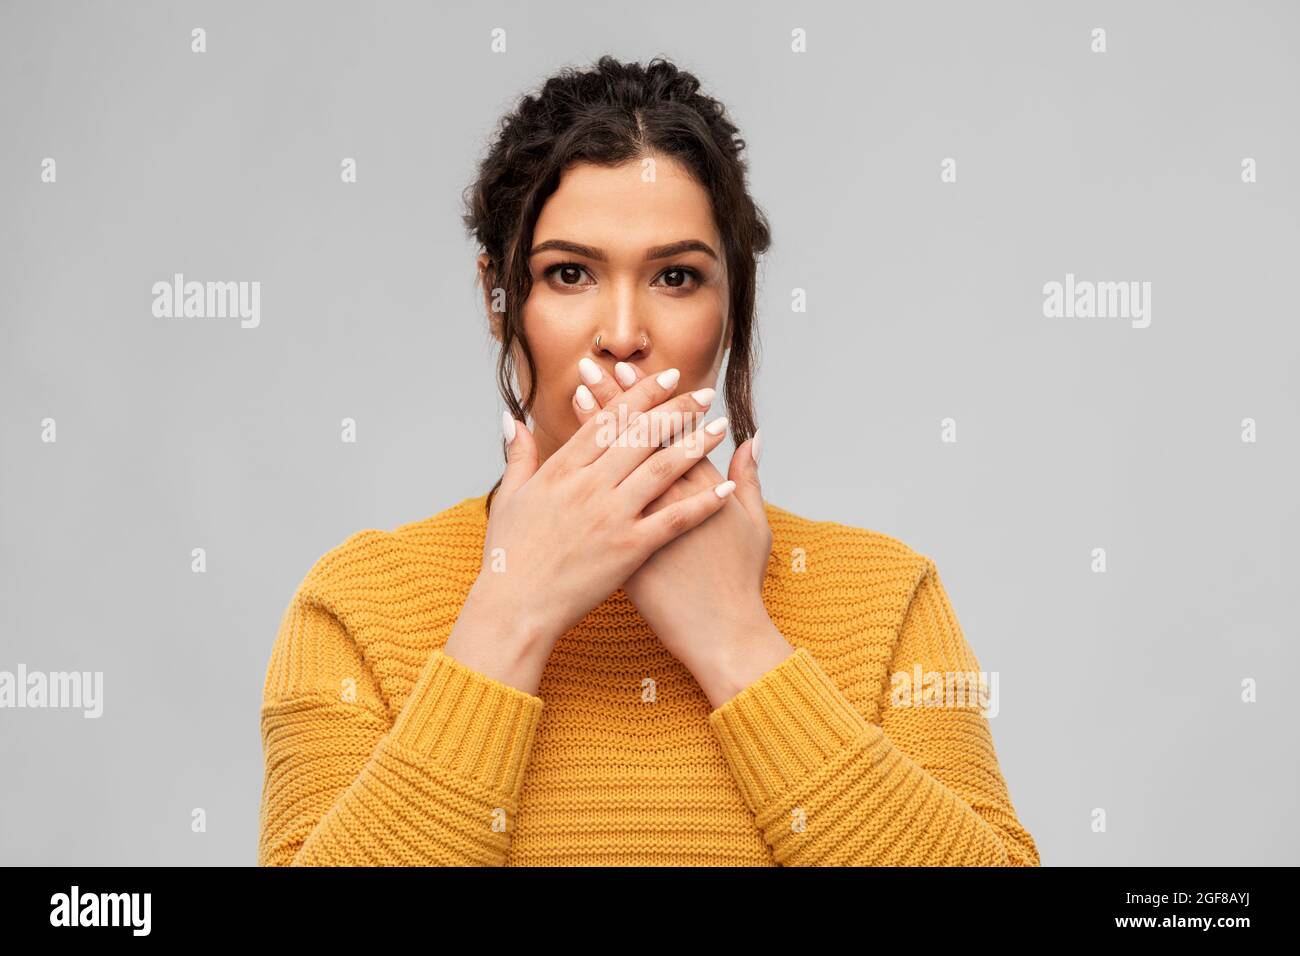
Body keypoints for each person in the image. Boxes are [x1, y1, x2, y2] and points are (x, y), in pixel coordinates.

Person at [257, 55, 1040, 867]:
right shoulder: (356, 607)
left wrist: (738, 642)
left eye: (675, 276)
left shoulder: (885, 598)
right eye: (568, 274)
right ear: (498, 300)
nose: (624, 333)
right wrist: (512, 613)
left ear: (733, 303)